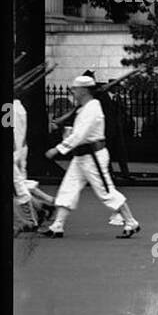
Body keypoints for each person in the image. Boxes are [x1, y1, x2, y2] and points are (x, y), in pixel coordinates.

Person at [41, 74, 141, 238]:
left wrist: (58, 149)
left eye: (75, 88)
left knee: (106, 192)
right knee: (68, 188)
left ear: (84, 90)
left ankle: (131, 222)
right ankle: (57, 225)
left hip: (93, 157)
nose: (73, 91)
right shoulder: (84, 108)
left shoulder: (93, 108)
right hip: (81, 156)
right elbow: (77, 133)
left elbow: (80, 135)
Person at [11, 96, 57, 232]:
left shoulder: (7, 107)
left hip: (13, 151)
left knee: (18, 187)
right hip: (19, 149)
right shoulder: (19, 108)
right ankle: (41, 207)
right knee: (19, 185)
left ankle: (31, 220)